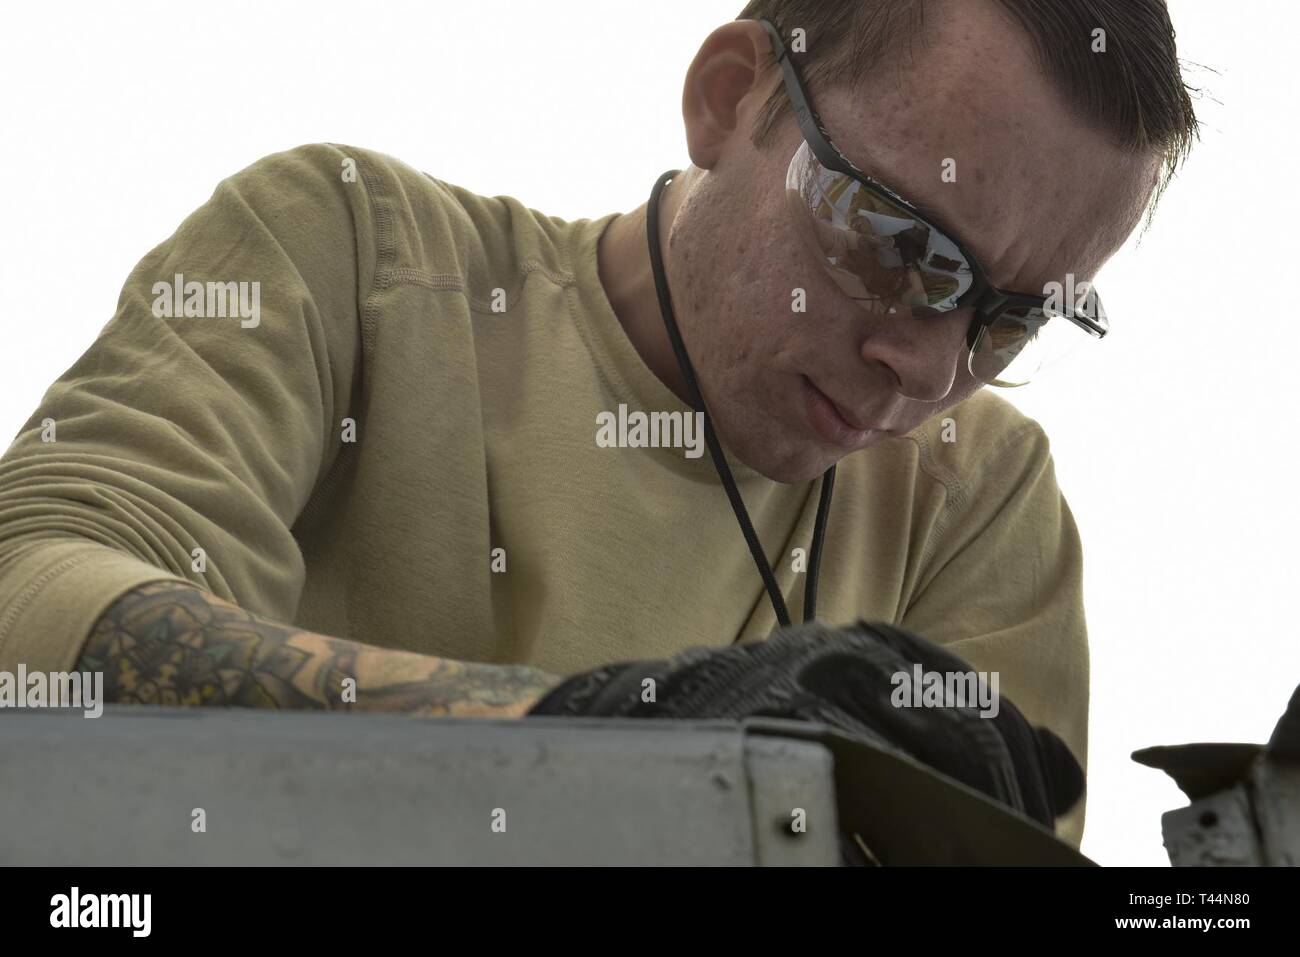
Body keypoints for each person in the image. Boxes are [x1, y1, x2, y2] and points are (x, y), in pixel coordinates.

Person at [0, 0, 1198, 850]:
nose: (929, 368)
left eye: (1010, 316)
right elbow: (27, 608)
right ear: (732, 100)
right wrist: (608, 735)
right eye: (899, 244)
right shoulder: (351, 254)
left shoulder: (978, 497)